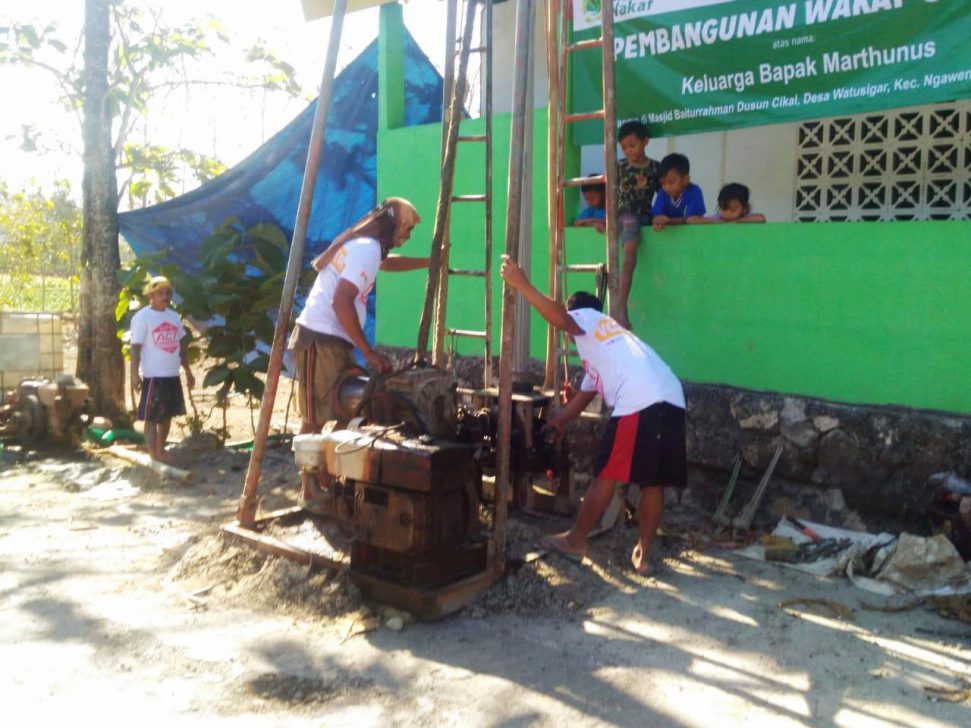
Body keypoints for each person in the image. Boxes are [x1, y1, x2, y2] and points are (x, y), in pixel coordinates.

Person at [499, 255, 687, 575]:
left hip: (640, 400)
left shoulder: (588, 317)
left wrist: (522, 285)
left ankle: (576, 539)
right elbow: (584, 397)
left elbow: (562, 318)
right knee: (652, 484)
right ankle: (643, 554)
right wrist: (559, 422)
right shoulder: (608, 342)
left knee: (607, 476)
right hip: (671, 398)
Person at [289, 197, 429, 436]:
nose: (408, 235)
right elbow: (341, 302)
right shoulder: (367, 249)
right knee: (316, 420)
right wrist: (368, 352)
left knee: (348, 411)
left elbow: (386, 264)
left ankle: (328, 471)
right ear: (391, 225)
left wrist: (429, 261)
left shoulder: (368, 248)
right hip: (320, 339)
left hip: (332, 339)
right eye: (408, 228)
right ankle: (311, 473)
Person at [130, 275, 195, 463]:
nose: (165, 296)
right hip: (153, 375)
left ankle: (161, 449)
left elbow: (181, 347)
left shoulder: (174, 317)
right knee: (150, 418)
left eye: (168, 293)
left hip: (172, 374)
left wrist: (188, 372)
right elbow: (135, 348)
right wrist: (134, 375)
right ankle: (152, 453)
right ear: (151, 294)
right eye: (160, 292)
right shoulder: (142, 317)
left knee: (167, 416)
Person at [616, 120, 661, 331]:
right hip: (626, 216)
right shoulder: (619, 167)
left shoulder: (655, 169)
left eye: (632, 145)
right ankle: (621, 307)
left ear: (645, 142)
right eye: (624, 147)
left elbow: (665, 197)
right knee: (629, 257)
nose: (628, 150)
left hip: (646, 215)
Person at [651, 153, 706, 230]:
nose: (667, 187)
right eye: (663, 183)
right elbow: (658, 217)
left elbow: (692, 219)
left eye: (671, 182)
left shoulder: (694, 192)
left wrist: (669, 221)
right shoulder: (662, 193)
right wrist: (659, 220)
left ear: (685, 180)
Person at [688, 182, 767, 224]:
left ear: (745, 209)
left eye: (733, 210)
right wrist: (719, 222)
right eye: (724, 209)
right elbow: (691, 220)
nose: (728, 214)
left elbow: (761, 218)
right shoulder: (718, 218)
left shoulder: (746, 217)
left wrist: (736, 222)